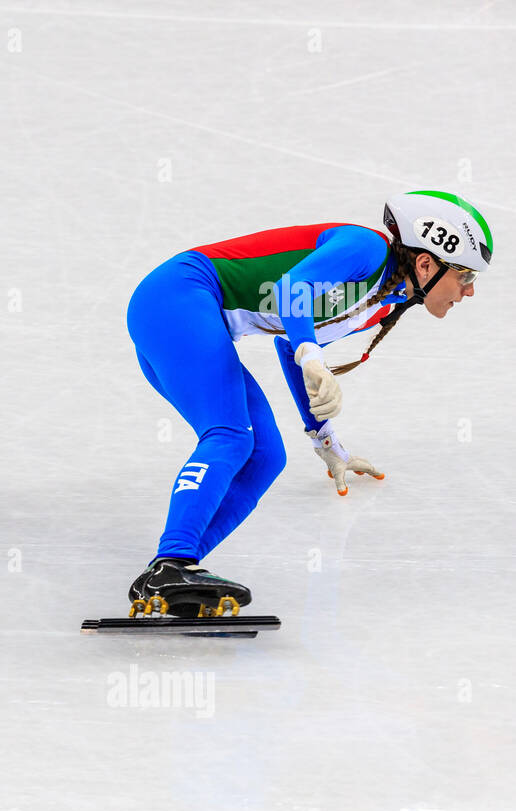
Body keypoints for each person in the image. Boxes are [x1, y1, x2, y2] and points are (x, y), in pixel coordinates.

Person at [125, 190, 492, 617]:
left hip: (189, 316)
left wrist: (326, 439)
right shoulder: (366, 248)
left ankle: (170, 573)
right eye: (465, 277)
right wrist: (312, 355)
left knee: (266, 456)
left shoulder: (379, 304)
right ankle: (173, 563)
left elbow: (291, 343)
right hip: (179, 296)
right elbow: (292, 288)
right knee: (229, 436)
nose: (468, 293)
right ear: (427, 263)